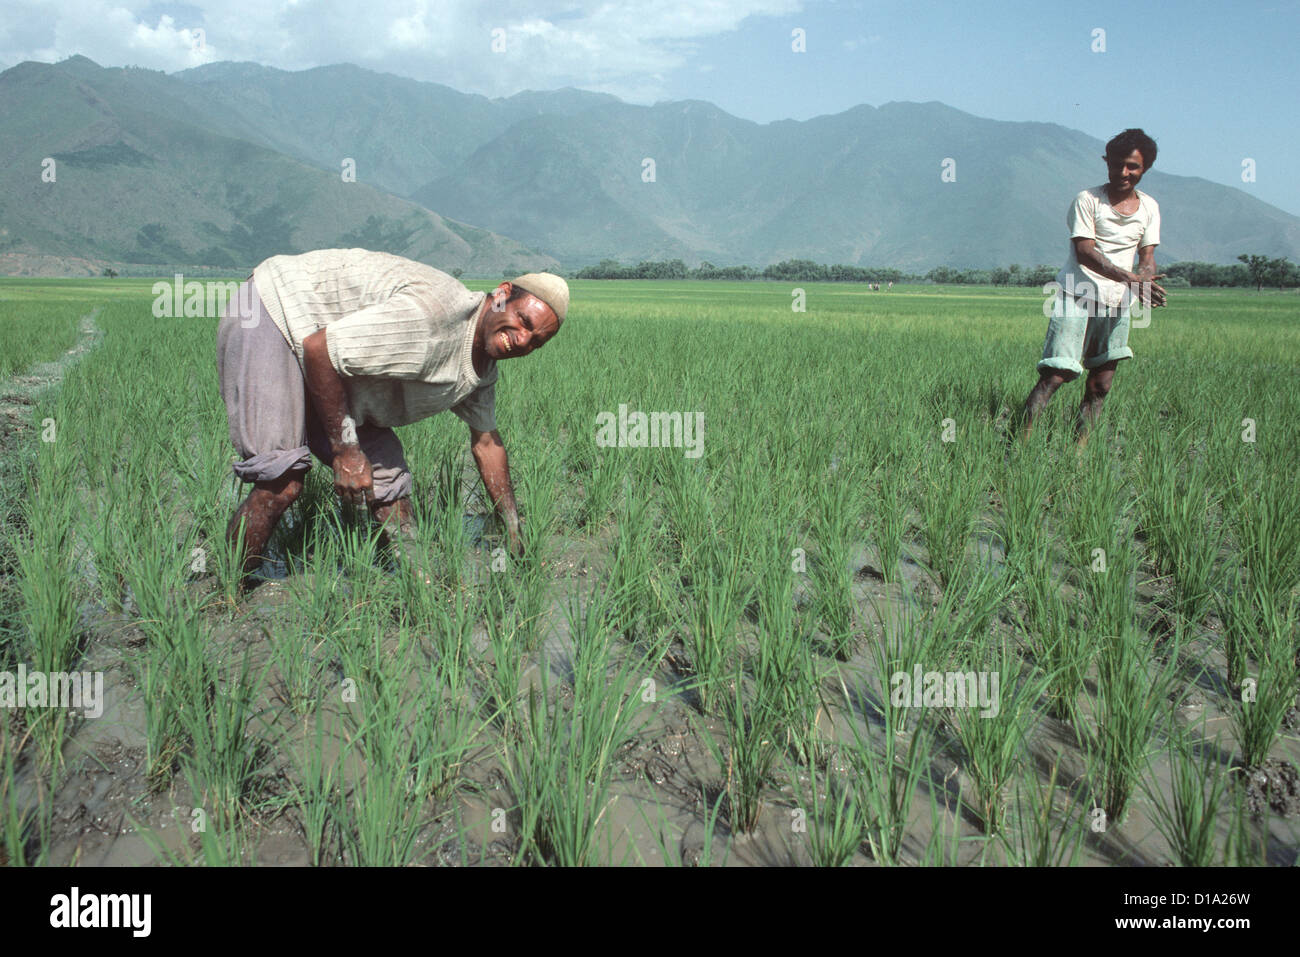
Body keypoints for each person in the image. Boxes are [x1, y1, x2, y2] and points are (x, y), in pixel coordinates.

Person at [216, 247, 567, 583]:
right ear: (503, 294)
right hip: (275, 309)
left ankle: (418, 585)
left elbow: (487, 444)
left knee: (388, 481)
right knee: (282, 482)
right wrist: (346, 451)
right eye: (523, 321)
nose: (522, 341)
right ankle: (230, 591)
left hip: (331, 362)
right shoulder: (433, 316)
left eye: (536, 341)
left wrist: (512, 527)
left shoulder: (483, 370)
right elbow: (319, 349)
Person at [1020, 128, 1166, 442]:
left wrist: (1146, 278)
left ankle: (1080, 455)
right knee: (1057, 374)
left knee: (1101, 384)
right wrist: (1132, 279)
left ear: (1145, 168)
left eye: (1133, 167)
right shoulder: (1088, 200)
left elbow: (1147, 255)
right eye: (1117, 164)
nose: (1123, 172)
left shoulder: (1150, 208)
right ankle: (1019, 445)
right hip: (1078, 295)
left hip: (1117, 302)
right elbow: (1085, 253)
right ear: (1106, 161)